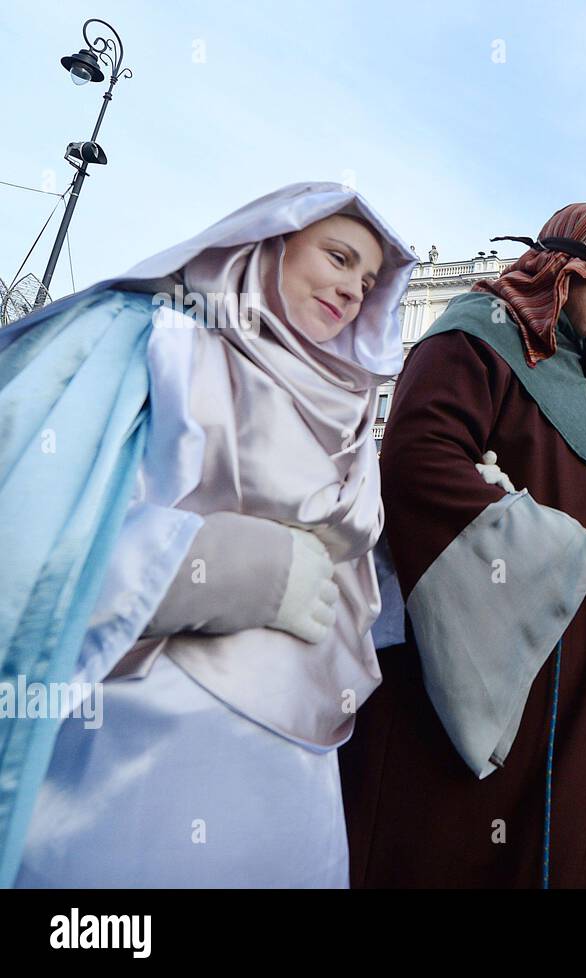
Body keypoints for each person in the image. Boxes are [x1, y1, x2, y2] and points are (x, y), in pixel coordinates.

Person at [5, 183, 414, 887]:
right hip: (138, 752)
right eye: (338, 257)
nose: (352, 290)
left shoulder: (350, 417)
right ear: (273, 244)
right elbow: (35, 526)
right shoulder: (157, 339)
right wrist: (216, 568)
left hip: (295, 775)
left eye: (368, 281)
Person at [339, 202, 586, 887]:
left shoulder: (572, 374)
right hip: (491, 643)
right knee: (466, 831)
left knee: (583, 818)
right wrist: (550, 550)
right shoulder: (470, 335)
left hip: (582, 653)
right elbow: (418, 463)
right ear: (565, 273)